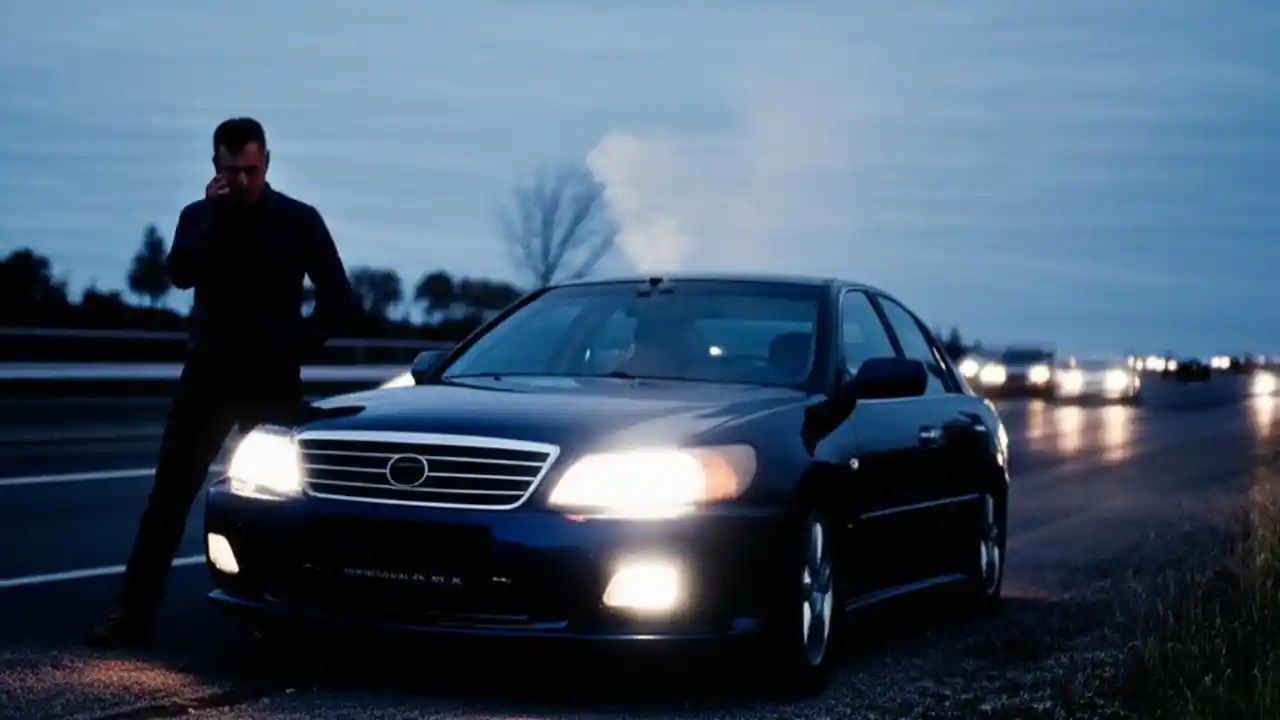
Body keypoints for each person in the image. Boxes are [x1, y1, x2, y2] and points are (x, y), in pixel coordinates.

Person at [86, 117, 359, 647]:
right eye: (231, 171)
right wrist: (212, 215)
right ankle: (130, 616)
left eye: (251, 171)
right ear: (214, 167)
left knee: (285, 502)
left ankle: (288, 618)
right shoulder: (199, 216)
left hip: (271, 382)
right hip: (207, 379)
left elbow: (338, 298)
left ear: (267, 164)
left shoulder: (299, 221)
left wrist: (295, 348)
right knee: (167, 501)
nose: (241, 181)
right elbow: (180, 273)